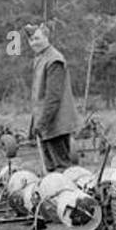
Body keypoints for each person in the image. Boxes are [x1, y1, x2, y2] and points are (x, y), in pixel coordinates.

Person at [28, 23, 78, 170]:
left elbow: (53, 97)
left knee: (62, 168)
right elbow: (38, 97)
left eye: (37, 38)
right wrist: (34, 124)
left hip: (56, 124)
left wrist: (42, 123)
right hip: (46, 125)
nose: (33, 43)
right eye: (31, 40)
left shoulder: (54, 60)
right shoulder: (40, 58)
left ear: (46, 38)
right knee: (50, 170)